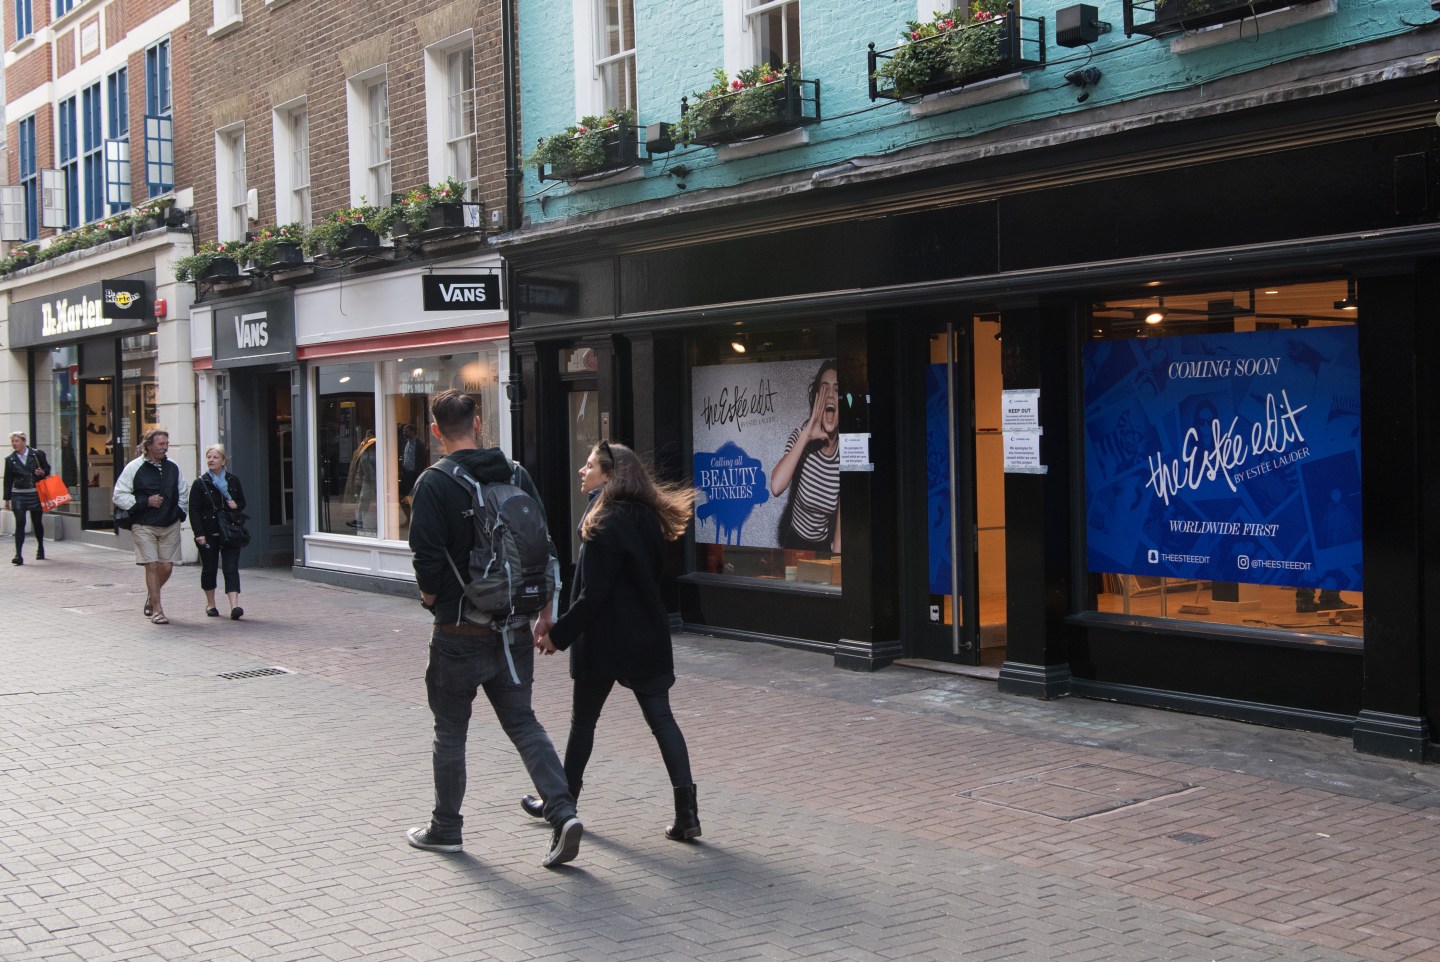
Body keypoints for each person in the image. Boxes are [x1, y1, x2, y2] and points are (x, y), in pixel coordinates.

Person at [405, 389, 582, 867]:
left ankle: (446, 828)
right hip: (514, 631)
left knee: (450, 731)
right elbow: (543, 546)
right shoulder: (516, 473)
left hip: (459, 632)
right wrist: (546, 611)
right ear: (478, 422)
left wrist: (431, 600)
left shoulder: (433, 483)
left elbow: (425, 556)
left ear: (436, 431)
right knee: (524, 722)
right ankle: (563, 813)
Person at [527, 440, 702, 842]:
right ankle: (687, 813)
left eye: (588, 465)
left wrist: (559, 635)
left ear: (609, 474)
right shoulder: (650, 516)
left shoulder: (604, 519)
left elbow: (594, 594)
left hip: (604, 640)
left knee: (583, 723)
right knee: (663, 722)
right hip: (647, 637)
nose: (581, 471)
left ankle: (562, 804)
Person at [113, 429, 188, 625]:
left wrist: (179, 512)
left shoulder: (173, 467)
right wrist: (145, 501)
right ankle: (157, 609)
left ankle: (151, 596)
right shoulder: (134, 468)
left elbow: (183, 491)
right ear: (148, 446)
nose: (165, 447)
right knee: (151, 565)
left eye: (166, 443)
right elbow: (119, 495)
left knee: (166, 566)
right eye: (160, 444)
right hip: (144, 524)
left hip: (169, 523)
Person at [769, 359, 842, 552]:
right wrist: (806, 435)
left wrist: (837, 570)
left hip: (822, 547)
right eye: (825, 390)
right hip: (794, 542)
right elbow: (776, 487)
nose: (830, 396)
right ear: (817, 398)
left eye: (837, 390)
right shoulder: (801, 439)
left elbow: (840, 533)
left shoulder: (846, 453)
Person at [190, 443, 248, 620]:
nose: (211, 460)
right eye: (209, 457)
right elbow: (194, 510)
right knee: (209, 568)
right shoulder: (200, 483)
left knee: (231, 568)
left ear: (223, 461)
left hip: (229, 532)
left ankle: (234, 606)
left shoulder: (233, 480)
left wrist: (236, 505)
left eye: (215, 457)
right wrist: (198, 533)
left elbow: (242, 503)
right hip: (209, 532)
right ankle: (211, 604)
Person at [4, 430, 52, 565]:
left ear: (24, 442)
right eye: (13, 441)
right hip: (18, 495)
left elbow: (47, 469)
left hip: (35, 493)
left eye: (17, 441)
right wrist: (6, 499)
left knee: (37, 522)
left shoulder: (37, 454)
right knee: (20, 523)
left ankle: (40, 548)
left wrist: (41, 472)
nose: (14, 444)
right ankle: (18, 555)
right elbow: (7, 480)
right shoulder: (10, 459)